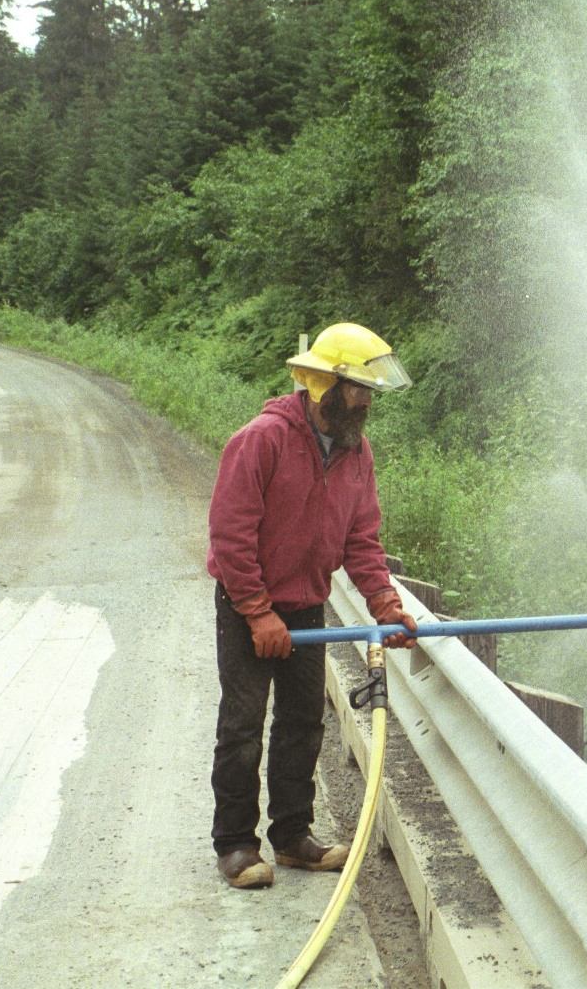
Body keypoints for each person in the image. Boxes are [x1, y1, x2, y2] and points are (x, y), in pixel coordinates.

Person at [206, 321, 419, 889]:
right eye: (358, 389)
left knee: (302, 721)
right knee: (244, 724)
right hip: (247, 600)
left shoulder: (354, 451)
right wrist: (255, 610)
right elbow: (230, 535)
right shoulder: (261, 439)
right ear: (323, 385)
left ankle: (293, 836)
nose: (366, 402)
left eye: (370, 391)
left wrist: (385, 603)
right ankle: (235, 844)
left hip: (304, 602)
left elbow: (362, 539)